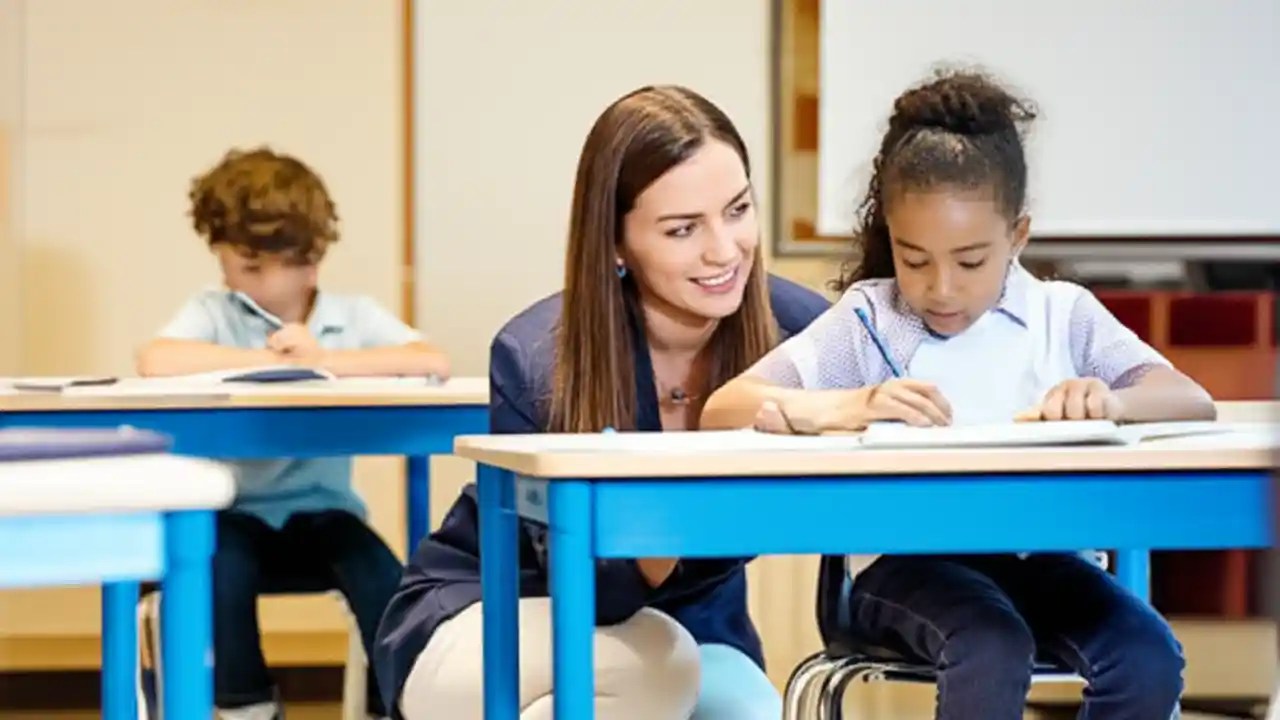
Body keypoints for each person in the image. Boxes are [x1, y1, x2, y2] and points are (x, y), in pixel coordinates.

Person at [702, 70, 1216, 719]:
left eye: (971, 261)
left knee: (1147, 658)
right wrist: (846, 405)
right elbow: (723, 409)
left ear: (1017, 236)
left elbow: (1188, 397)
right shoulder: (870, 320)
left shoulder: (1062, 314)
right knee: (991, 645)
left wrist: (1114, 403)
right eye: (914, 259)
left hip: (1045, 561)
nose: (941, 289)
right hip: (907, 569)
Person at [374, 85, 830, 720]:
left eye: (737, 210)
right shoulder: (538, 358)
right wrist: (707, 461)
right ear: (616, 243)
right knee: (656, 670)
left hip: (697, 637)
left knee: (736, 704)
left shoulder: (804, 334)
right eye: (682, 229)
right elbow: (601, 592)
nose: (725, 250)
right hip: (492, 618)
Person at [138, 147, 451, 720]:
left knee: (382, 574)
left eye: (255, 268)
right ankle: (247, 705)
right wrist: (262, 360)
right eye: (236, 264)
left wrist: (325, 359)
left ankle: (396, 700)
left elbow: (429, 359)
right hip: (235, 514)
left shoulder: (350, 315)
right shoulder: (215, 310)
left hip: (322, 514)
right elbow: (157, 359)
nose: (236, 279)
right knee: (219, 564)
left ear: (309, 263)